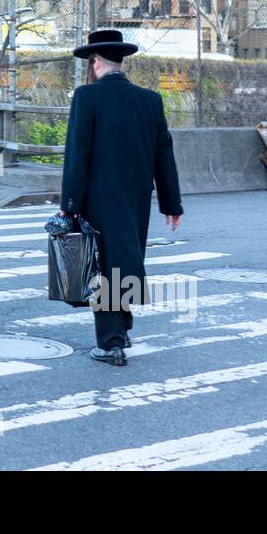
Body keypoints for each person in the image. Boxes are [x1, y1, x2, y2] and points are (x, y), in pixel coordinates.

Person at [60, 29, 183, 367]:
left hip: (96, 199)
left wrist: (69, 206)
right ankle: (123, 327)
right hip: (136, 198)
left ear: (96, 62)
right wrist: (172, 204)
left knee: (101, 268)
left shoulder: (87, 97)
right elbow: (163, 154)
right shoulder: (150, 100)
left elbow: (77, 155)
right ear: (119, 62)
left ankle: (111, 342)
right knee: (124, 259)